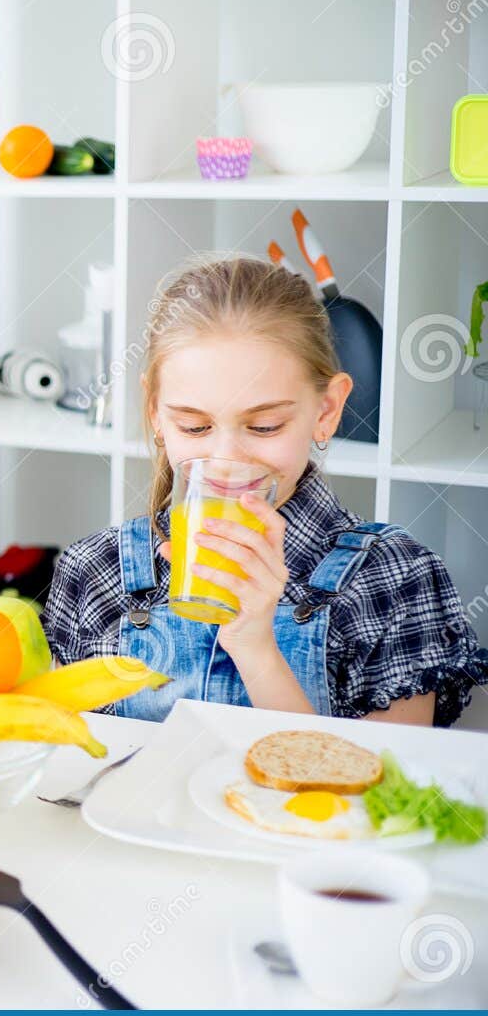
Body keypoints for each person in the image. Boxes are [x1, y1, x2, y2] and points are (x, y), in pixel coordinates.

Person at [43, 254, 487, 725]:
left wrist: (257, 648)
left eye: (264, 425)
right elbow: (71, 768)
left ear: (327, 410)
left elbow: (379, 796)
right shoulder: (94, 570)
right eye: (194, 427)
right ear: (156, 413)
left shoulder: (393, 579)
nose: (227, 460)